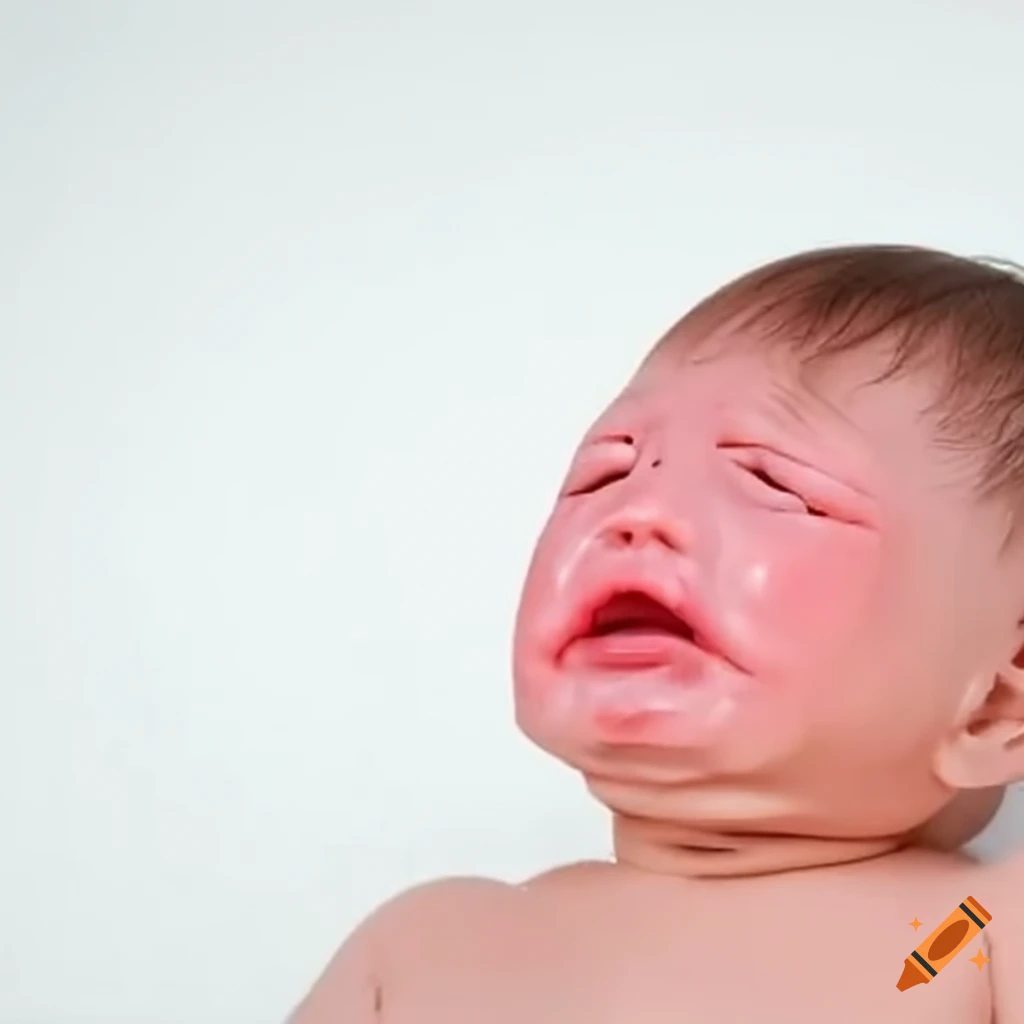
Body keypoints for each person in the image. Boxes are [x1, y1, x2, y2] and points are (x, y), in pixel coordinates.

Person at [290, 245, 1024, 1023]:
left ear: (997, 704)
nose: (636, 515)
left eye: (773, 484)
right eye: (606, 471)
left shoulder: (966, 936)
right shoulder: (427, 945)